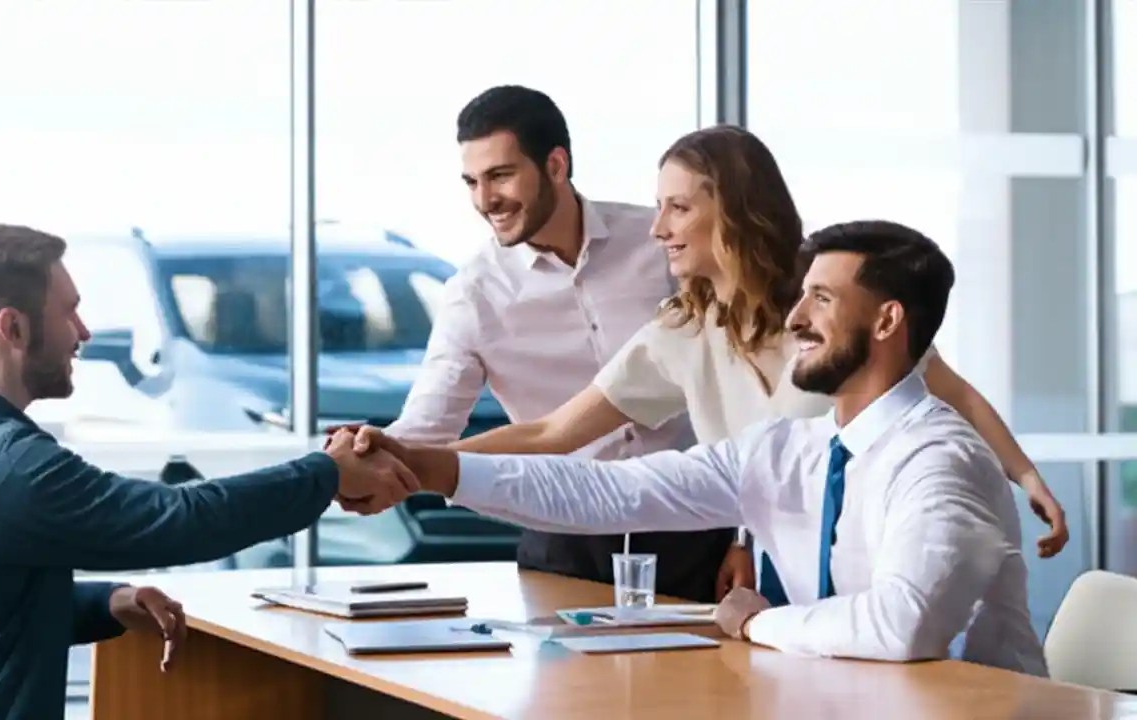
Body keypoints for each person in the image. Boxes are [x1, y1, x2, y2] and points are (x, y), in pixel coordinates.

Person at [339, 220, 1048, 675]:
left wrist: (760, 619)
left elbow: (904, 626)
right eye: (802, 297)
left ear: (889, 320)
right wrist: (426, 467)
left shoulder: (937, 460)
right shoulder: (784, 450)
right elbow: (607, 490)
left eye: (822, 300)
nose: (796, 317)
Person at [450, 126, 1067, 600]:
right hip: (797, 589)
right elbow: (552, 433)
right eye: (658, 207)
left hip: (894, 566)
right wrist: (418, 464)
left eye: (679, 208)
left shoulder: (829, 303)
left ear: (736, 211)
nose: (657, 228)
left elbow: (950, 391)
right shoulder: (681, 333)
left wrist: (1027, 476)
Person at [0, 224, 417, 720]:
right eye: (68, 311)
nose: (84, 331)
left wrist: (104, 604)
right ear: (14, 328)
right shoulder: (6, 465)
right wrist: (326, 471)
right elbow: (179, 518)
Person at [374, 85, 737, 601]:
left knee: (707, 682)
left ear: (556, 165)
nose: (485, 200)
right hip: (563, 536)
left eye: (500, 175)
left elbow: (740, 397)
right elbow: (427, 429)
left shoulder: (661, 244)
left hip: (696, 525)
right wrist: (373, 455)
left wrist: (747, 537)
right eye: (472, 182)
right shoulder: (474, 294)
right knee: (571, 686)